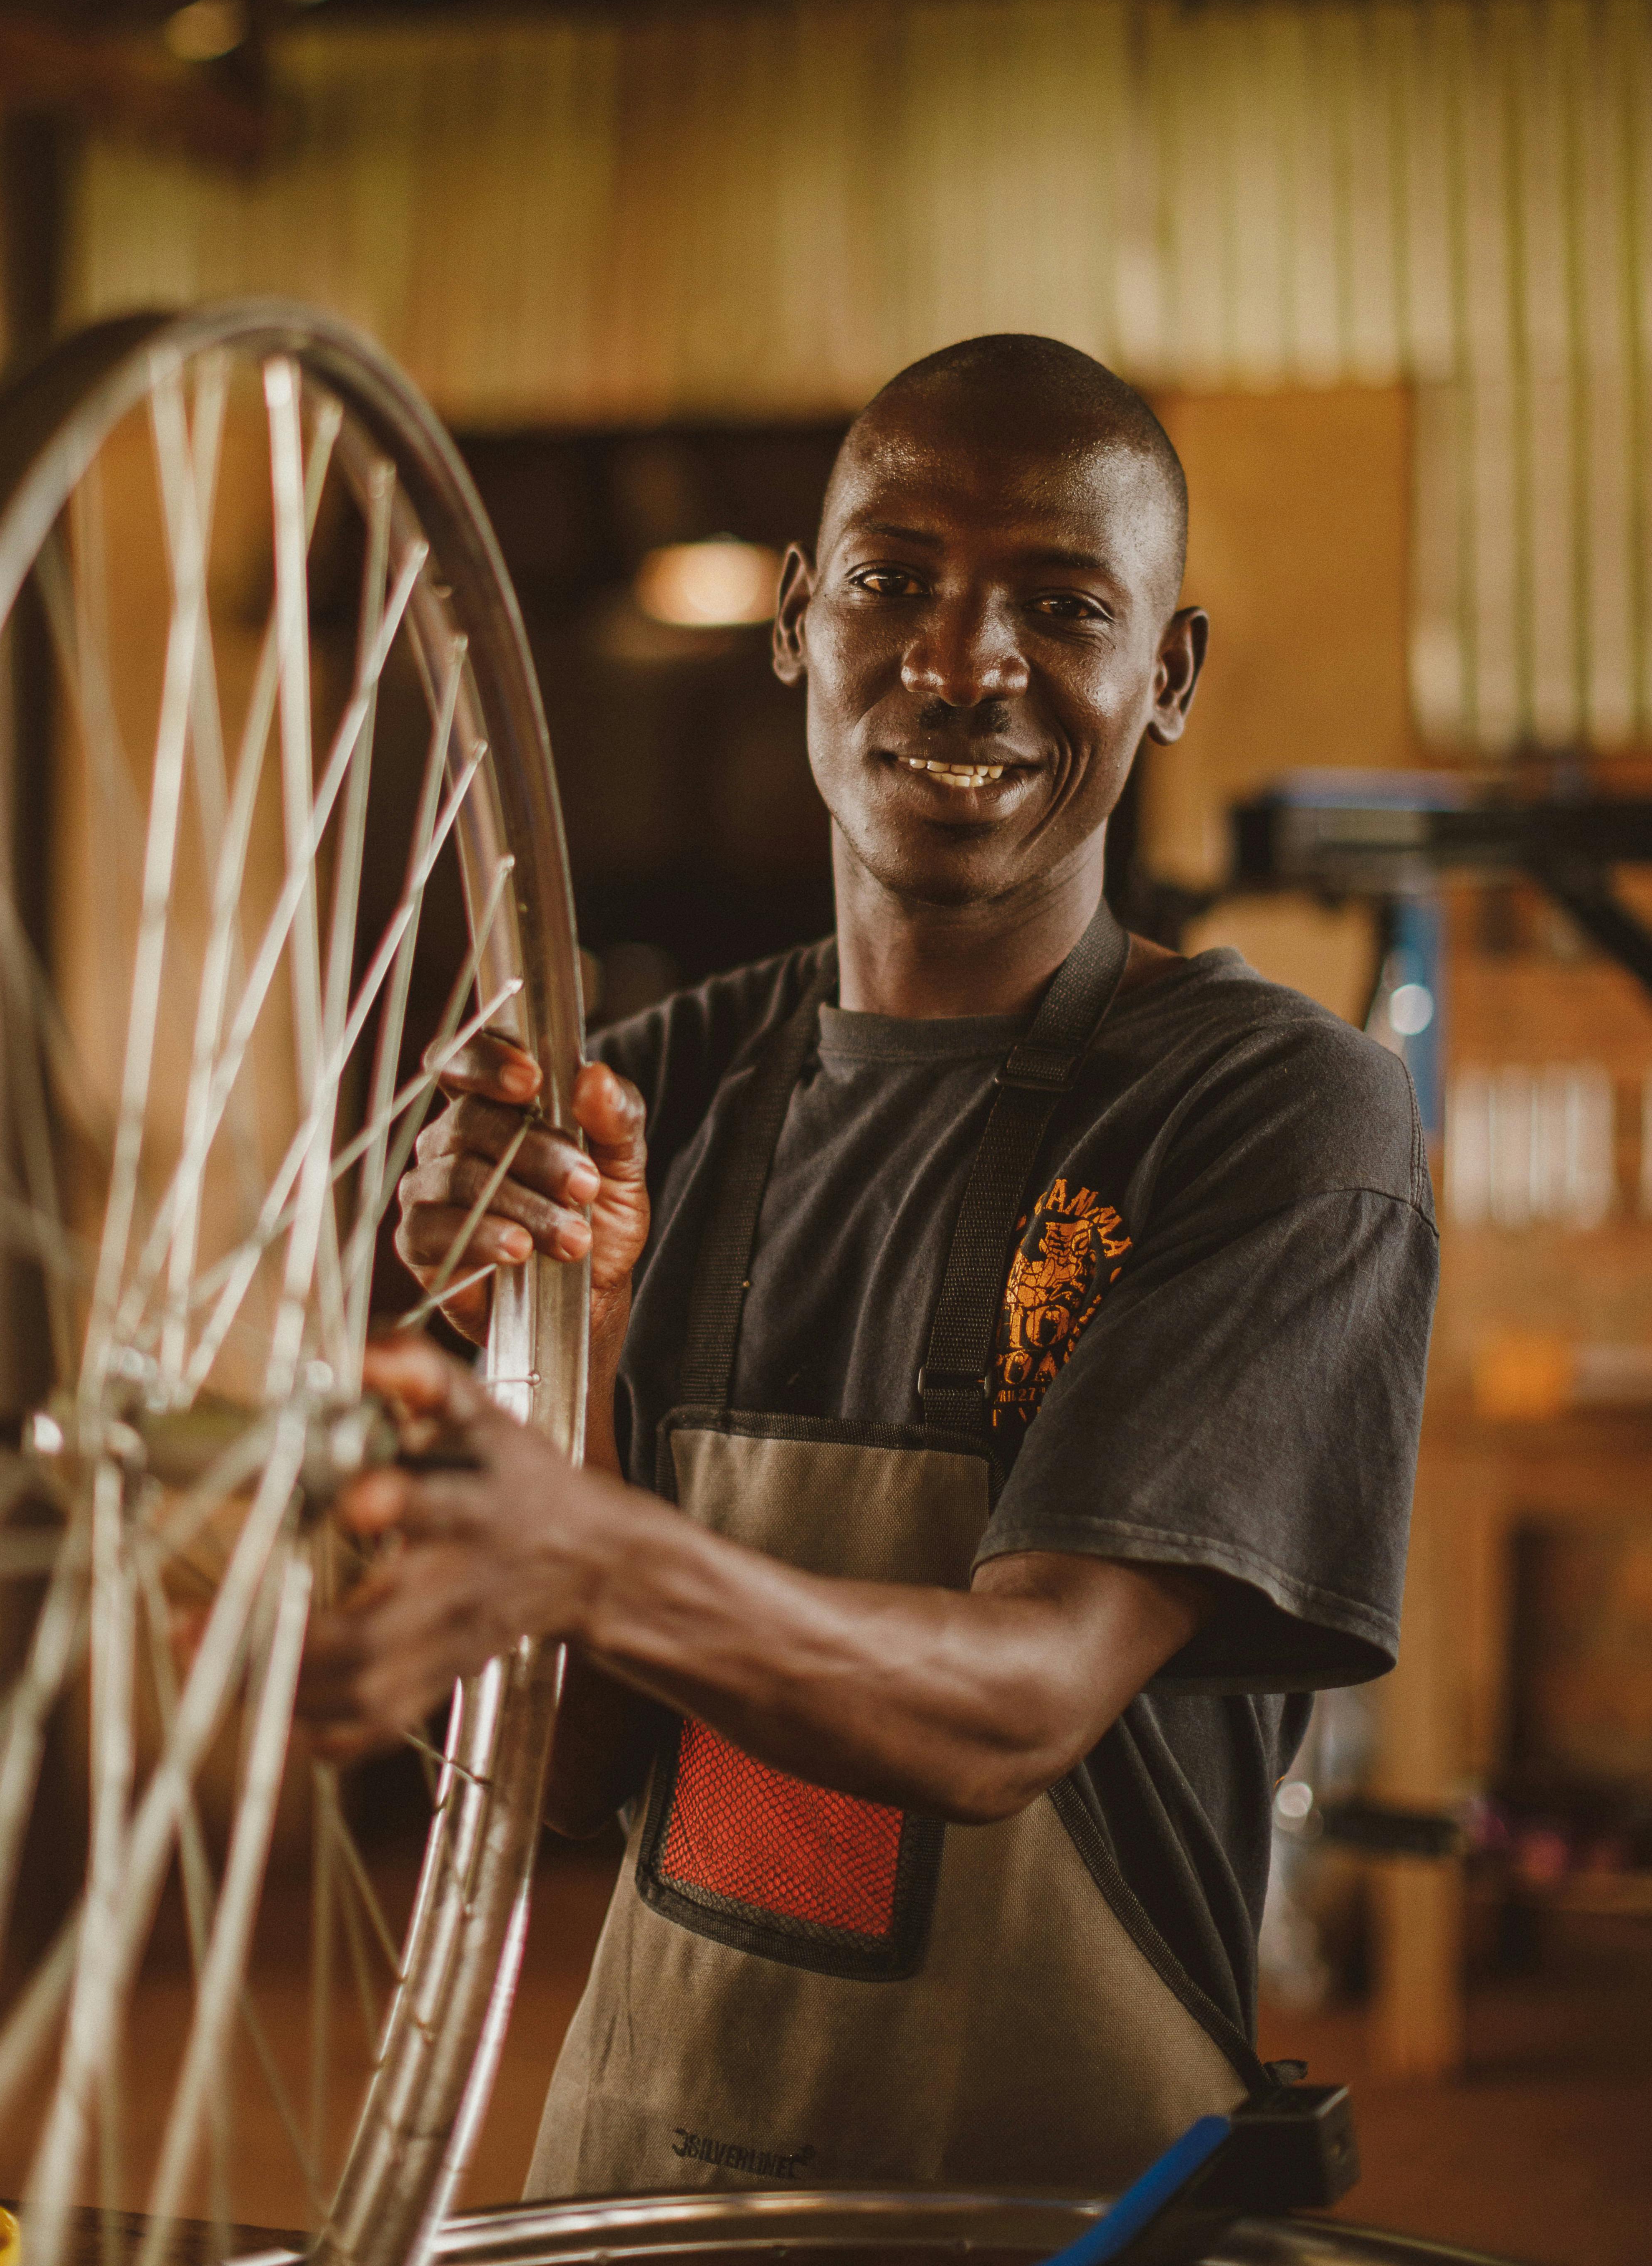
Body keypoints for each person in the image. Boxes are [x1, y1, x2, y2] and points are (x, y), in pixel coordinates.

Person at [296, 333, 1437, 2202]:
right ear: (797, 625)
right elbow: (566, 1768)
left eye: (1058, 605)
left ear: (1166, 675)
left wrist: (583, 1542)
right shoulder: (650, 1097)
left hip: (1049, 2202)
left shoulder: (1266, 1117)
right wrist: (544, 1348)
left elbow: (1020, 1705)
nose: (961, 661)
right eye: (895, 582)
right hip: (640, 2191)